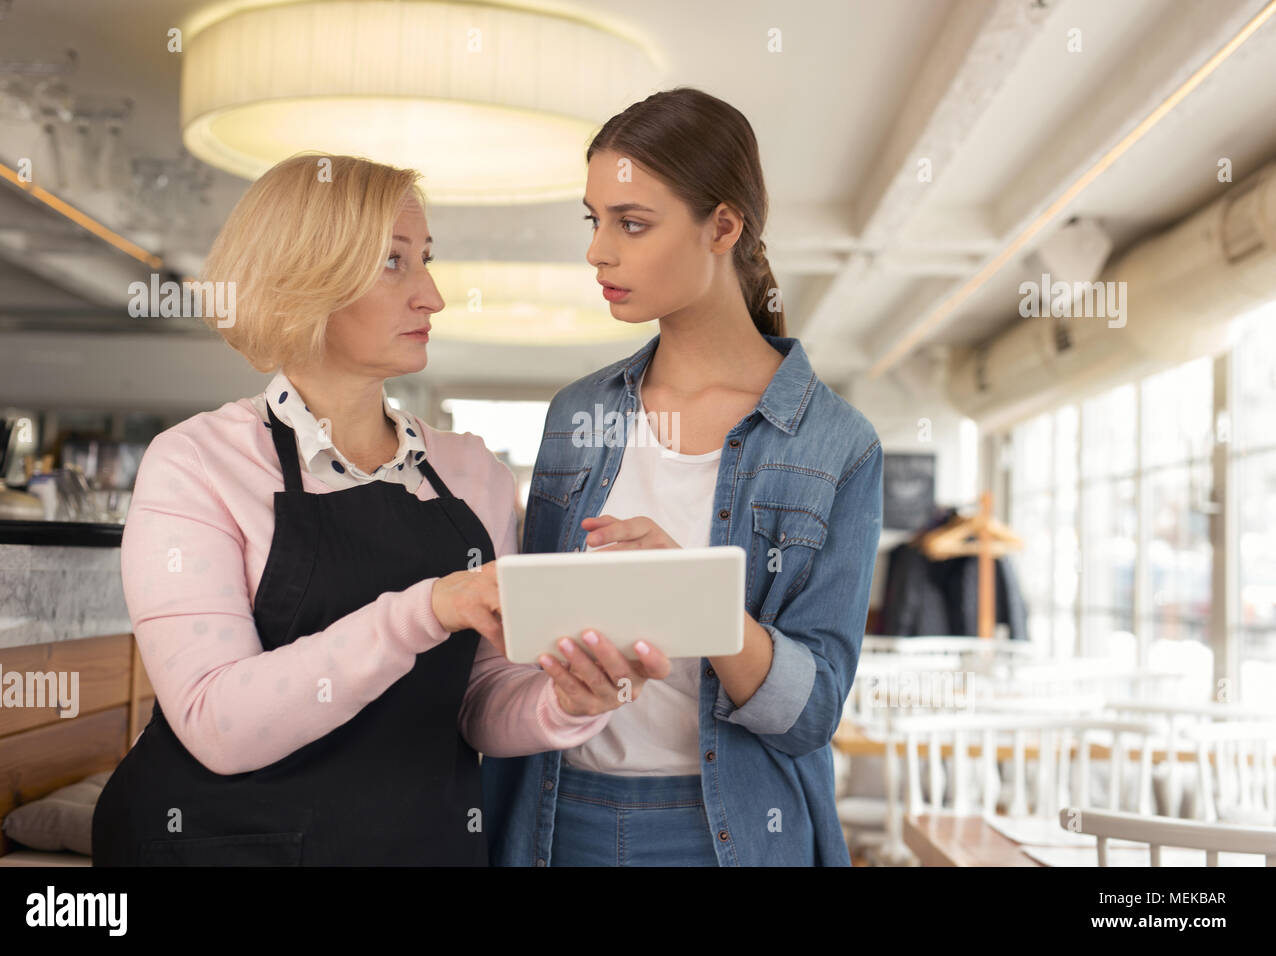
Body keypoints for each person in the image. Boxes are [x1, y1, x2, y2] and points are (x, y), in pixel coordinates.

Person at [91, 154, 670, 866]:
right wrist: (424, 610)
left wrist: (568, 705)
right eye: (394, 263)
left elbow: (477, 700)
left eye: (424, 260)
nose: (431, 296)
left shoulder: (471, 474)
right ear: (307, 279)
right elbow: (218, 723)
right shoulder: (197, 463)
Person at [482, 88, 884, 866]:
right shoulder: (576, 415)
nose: (600, 251)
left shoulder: (838, 444)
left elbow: (813, 713)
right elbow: (526, 648)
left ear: (723, 227)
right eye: (594, 220)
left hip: (728, 829)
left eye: (632, 223)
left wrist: (692, 597)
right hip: (557, 817)